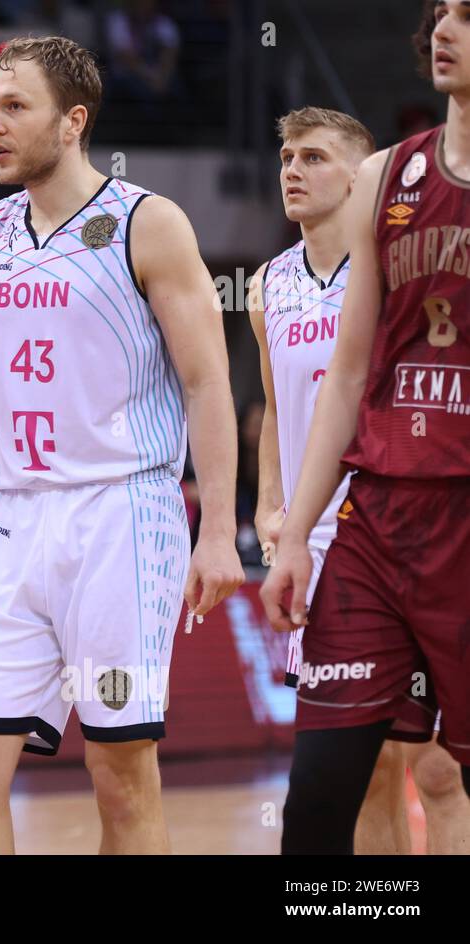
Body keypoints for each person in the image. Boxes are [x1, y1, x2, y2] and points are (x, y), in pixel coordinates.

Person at [0, 35, 244, 855]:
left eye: (13, 107)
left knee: (119, 775)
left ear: (72, 121)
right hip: (14, 520)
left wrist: (216, 530)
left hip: (122, 515)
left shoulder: (149, 222)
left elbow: (209, 382)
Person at [262, 1, 470, 854]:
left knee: (444, 776)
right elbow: (349, 375)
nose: (446, 30)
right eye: (442, 13)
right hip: (378, 520)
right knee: (316, 804)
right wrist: (293, 537)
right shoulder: (389, 174)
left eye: (469, 13)